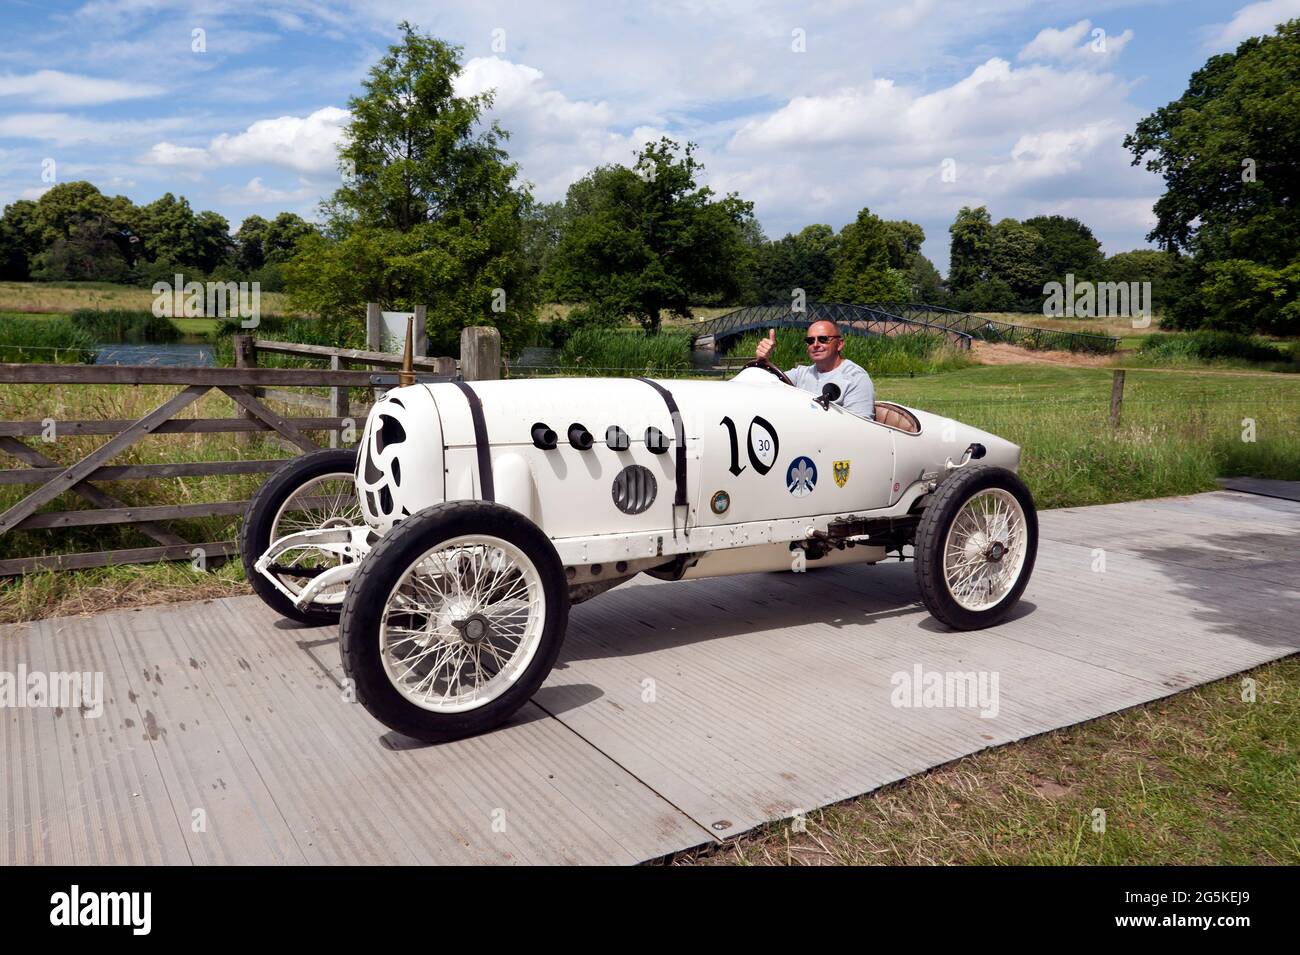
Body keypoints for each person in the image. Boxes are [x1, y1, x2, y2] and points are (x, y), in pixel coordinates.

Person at [754, 320, 875, 418]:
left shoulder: (855, 378)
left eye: (823, 339)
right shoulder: (800, 374)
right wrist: (762, 361)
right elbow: (763, 383)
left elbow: (860, 428)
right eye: (810, 341)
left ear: (840, 344)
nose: (816, 345)